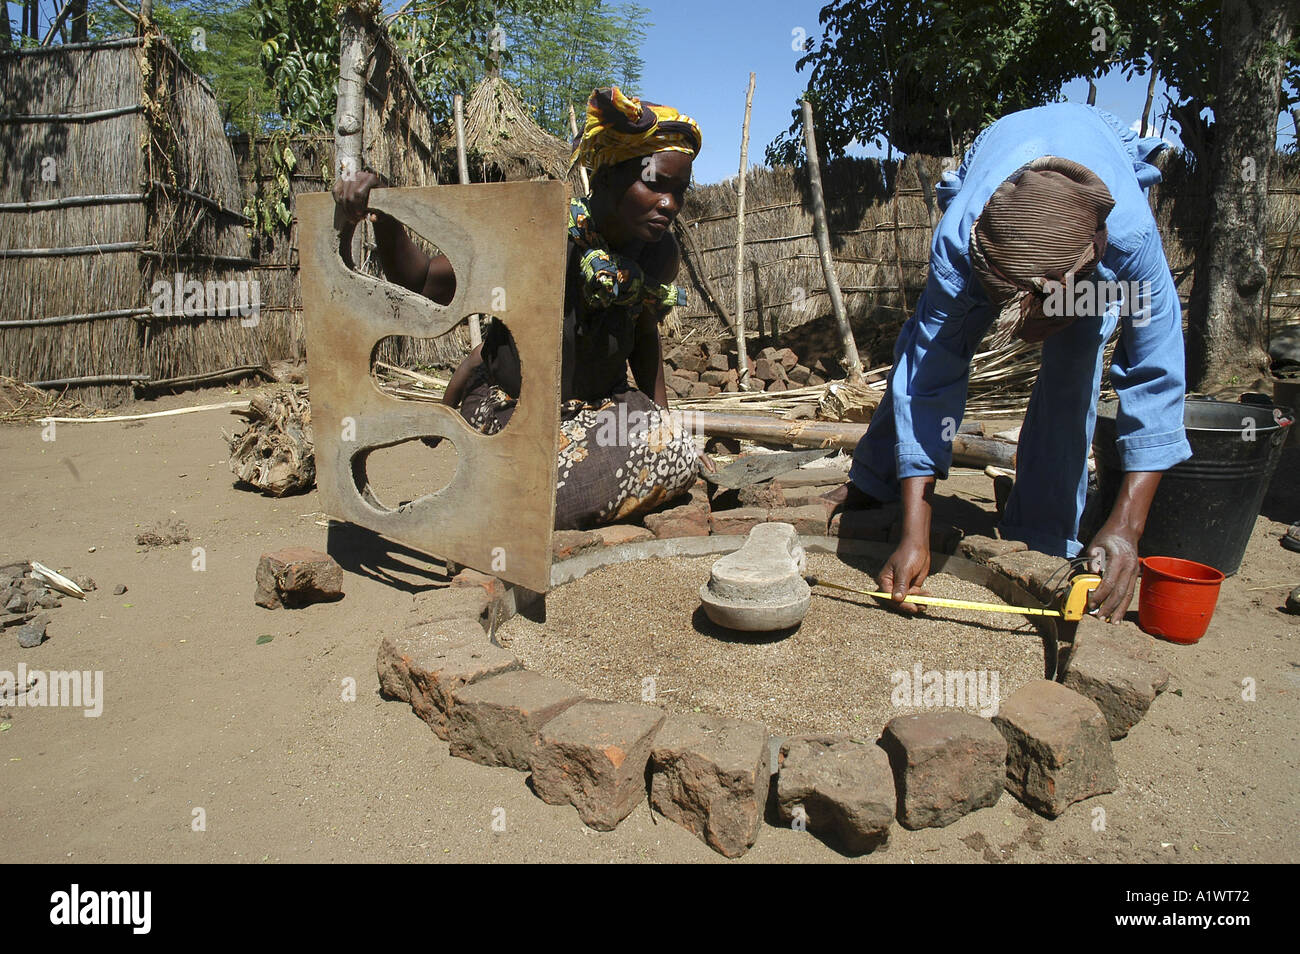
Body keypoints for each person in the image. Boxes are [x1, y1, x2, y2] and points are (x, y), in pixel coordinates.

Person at [826, 103, 1192, 623]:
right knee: (922, 348)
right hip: (1005, 151)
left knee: (1074, 366)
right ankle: (875, 479)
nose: (1020, 314)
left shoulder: (1129, 248)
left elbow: (1157, 377)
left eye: (1034, 299)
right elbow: (930, 377)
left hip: (1095, 158)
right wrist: (915, 532)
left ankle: (1042, 540)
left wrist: (1127, 526)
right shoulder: (962, 240)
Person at [333, 87, 705, 530]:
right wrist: (383, 213)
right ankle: (513, 494)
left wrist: (659, 419)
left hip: (603, 405)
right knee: (553, 480)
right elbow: (423, 279)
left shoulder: (658, 253)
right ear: (606, 176)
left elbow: (643, 333)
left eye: (678, 191)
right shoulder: (537, 233)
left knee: (678, 450)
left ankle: (515, 496)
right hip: (511, 405)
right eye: (655, 184)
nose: (670, 204)